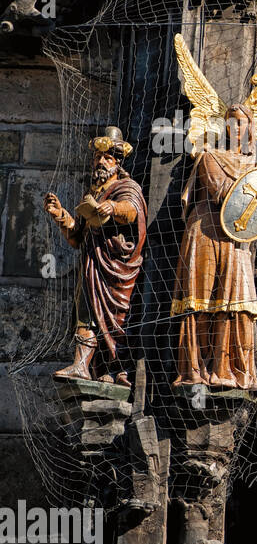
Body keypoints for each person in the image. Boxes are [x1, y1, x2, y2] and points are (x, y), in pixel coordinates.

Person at [172, 92, 257, 393]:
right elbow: (225, 194)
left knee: (239, 303)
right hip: (206, 231)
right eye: (231, 124)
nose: (235, 129)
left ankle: (234, 371)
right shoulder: (210, 157)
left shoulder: (254, 162)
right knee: (199, 302)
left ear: (251, 127)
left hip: (236, 240)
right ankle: (195, 370)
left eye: (241, 123)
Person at [43, 126, 147, 385]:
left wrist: (111, 206)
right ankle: (81, 365)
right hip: (91, 264)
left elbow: (132, 210)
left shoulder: (126, 186)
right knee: (86, 313)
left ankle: (119, 369)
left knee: (117, 317)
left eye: (107, 157)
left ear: (117, 162)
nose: (100, 162)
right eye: (97, 157)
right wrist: (60, 215)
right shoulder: (91, 195)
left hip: (115, 266)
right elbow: (76, 237)